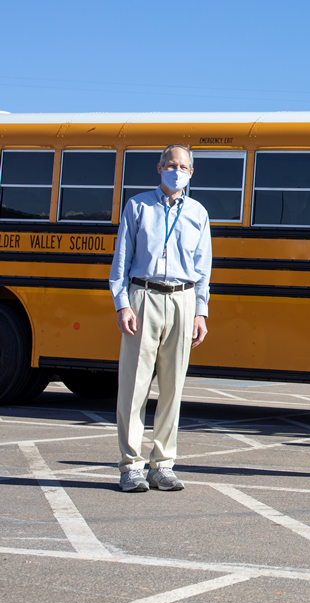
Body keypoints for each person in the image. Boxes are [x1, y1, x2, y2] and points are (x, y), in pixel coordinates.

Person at [109, 144, 212, 492]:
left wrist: (201, 310)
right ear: (159, 168)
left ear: (191, 173)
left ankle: (163, 464)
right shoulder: (138, 206)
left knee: (172, 389)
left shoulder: (198, 213)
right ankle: (130, 465)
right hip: (144, 296)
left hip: (182, 298)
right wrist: (123, 304)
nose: (176, 170)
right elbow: (122, 261)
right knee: (134, 387)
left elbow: (202, 269)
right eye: (171, 164)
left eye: (183, 166)